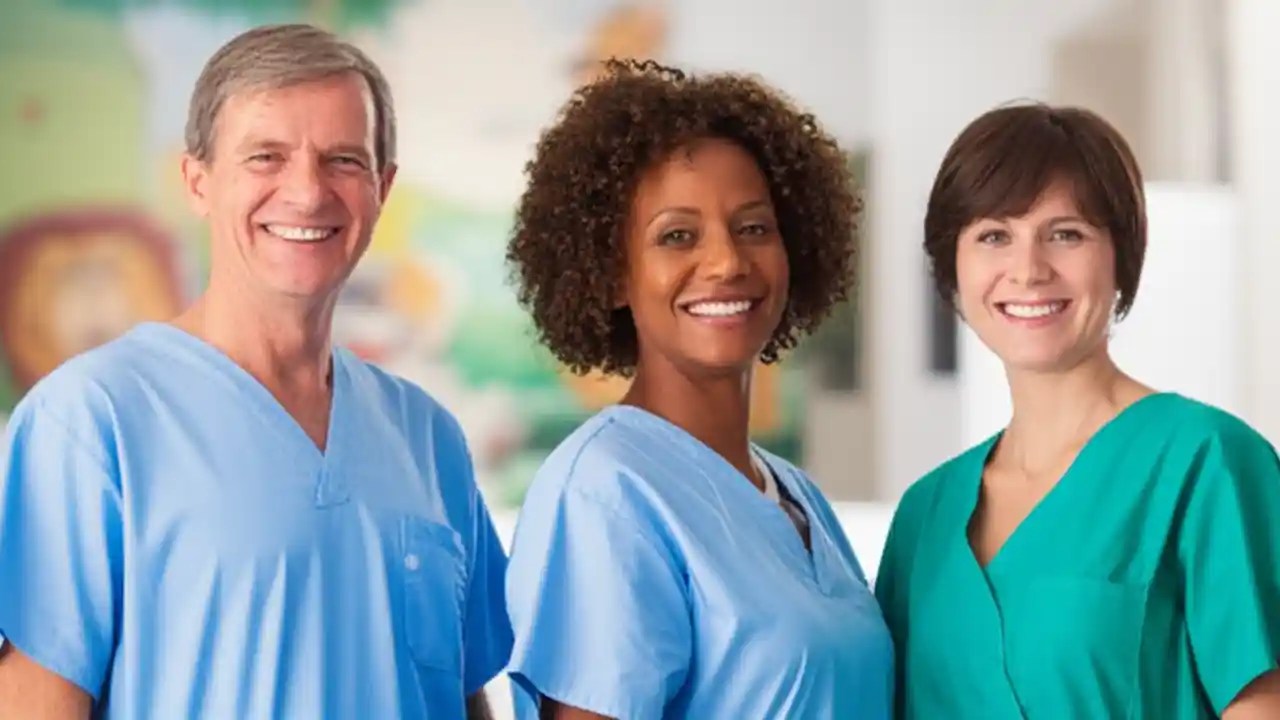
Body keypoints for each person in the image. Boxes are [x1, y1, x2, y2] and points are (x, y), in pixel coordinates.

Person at [0, 24, 512, 719]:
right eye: (266, 157)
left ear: (382, 189)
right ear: (197, 181)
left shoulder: (429, 439)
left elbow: (460, 694)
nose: (306, 193)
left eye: (342, 160)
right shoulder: (91, 420)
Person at [502, 59, 894, 720]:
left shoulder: (799, 498)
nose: (727, 262)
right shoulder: (607, 491)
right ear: (612, 275)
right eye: (677, 236)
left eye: (754, 228)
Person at [875, 103, 1280, 719]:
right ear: (952, 267)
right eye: (993, 236)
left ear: (1120, 255)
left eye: (1066, 233)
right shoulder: (923, 516)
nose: (1029, 269)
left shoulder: (1206, 463)